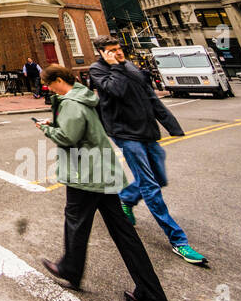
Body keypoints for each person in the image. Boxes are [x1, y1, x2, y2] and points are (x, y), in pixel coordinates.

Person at [35, 65, 172, 301]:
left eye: (49, 84)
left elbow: (67, 137)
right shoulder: (83, 97)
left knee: (75, 221)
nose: (48, 89)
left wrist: (46, 128)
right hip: (103, 174)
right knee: (123, 233)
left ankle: (71, 269)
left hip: (86, 175)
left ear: (57, 80)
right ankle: (152, 293)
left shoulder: (72, 103)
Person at [88, 37, 208, 267]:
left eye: (119, 49)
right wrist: (114, 66)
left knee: (160, 177)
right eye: (112, 51)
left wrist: (172, 125)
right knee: (150, 185)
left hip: (147, 130)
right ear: (102, 53)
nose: (118, 53)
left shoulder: (131, 67)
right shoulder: (98, 70)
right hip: (125, 133)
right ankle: (178, 240)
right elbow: (116, 90)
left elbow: (151, 98)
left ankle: (127, 198)